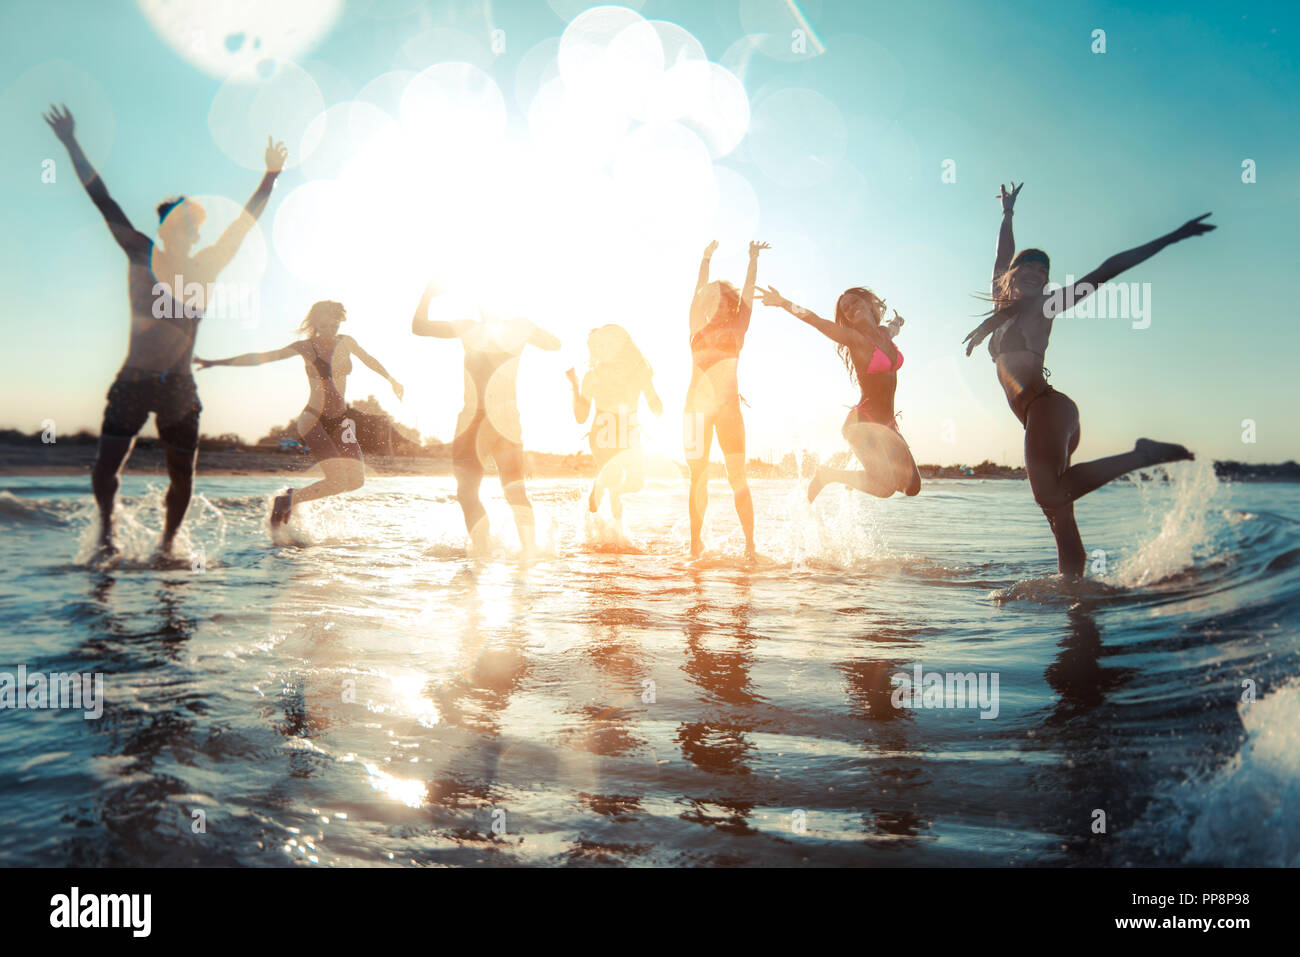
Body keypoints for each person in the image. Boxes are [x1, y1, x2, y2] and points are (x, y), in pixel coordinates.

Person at [44, 102, 285, 558]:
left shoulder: (207, 264)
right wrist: (71, 141)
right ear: (164, 226)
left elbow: (243, 226)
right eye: (177, 223)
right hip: (133, 378)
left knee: (183, 474)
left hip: (178, 384)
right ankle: (107, 533)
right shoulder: (139, 253)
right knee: (106, 466)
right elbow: (103, 199)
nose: (185, 231)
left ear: (195, 231)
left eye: (191, 225)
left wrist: (270, 178)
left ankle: (167, 545)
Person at [962, 182, 1211, 576]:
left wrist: (1172, 237)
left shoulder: (1048, 304)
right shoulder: (1001, 302)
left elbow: (1107, 270)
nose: (1035, 270)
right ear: (1011, 275)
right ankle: (1075, 597)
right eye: (1027, 265)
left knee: (1049, 494)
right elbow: (1002, 252)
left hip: (1050, 409)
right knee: (1058, 515)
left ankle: (1142, 455)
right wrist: (1007, 214)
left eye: (1043, 269)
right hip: (1038, 419)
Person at [194, 301, 403, 525]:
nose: (332, 323)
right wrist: (214, 362)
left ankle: (292, 498)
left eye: (336, 319)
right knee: (336, 482)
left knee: (355, 482)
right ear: (316, 321)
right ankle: (286, 502)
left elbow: (369, 359)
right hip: (314, 419)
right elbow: (262, 357)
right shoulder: (305, 347)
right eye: (327, 319)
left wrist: (391, 379)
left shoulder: (347, 342)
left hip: (341, 420)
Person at [411, 282, 560, 556]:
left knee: (513, 490)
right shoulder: (466, 327)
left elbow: (554, 344)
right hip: (470, 420)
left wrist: (528, 328)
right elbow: (419, 328)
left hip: (504, 420)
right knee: (466, 492)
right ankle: (482, 550)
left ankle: (529, 552)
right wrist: (427, 297)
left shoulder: (517, 329)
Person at [760, 284, 921, 500]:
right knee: (885, 488)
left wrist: (897, 321)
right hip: (863, 423)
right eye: (845, 308)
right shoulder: (854, 339)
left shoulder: (884, 334)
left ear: (869, 303)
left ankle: (858, 477)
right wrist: (783, 303)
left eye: (854, 302)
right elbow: (815, 320)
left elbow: (893, 328)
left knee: (912, 487)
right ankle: (828, 475)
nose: (850, 308)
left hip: (888, 424)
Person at [685, 240, 767, 559]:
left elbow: (748, 293)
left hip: (729, 410)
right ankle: (695, 544)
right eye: (711, 299)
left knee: (737, 476)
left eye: (723, 300)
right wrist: (705, 258)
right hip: (693, 411)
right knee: (697, 477)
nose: (716, 304)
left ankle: (750, 545)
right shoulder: (695, 327)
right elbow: (697, 290)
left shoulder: (738, 328)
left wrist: (753, 259)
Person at [565, 325, 663, 522]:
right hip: (603, 428)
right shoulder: (592, 376)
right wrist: (575, 386)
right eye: (600, 346)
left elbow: (656, 405)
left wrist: (652, 398)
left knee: (636, 483)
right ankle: (606, 533)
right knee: (613, 476)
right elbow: (581, 417)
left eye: (610, 344)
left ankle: (606, 499)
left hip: (630, 429)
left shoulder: (639, 370)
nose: (605, 349)